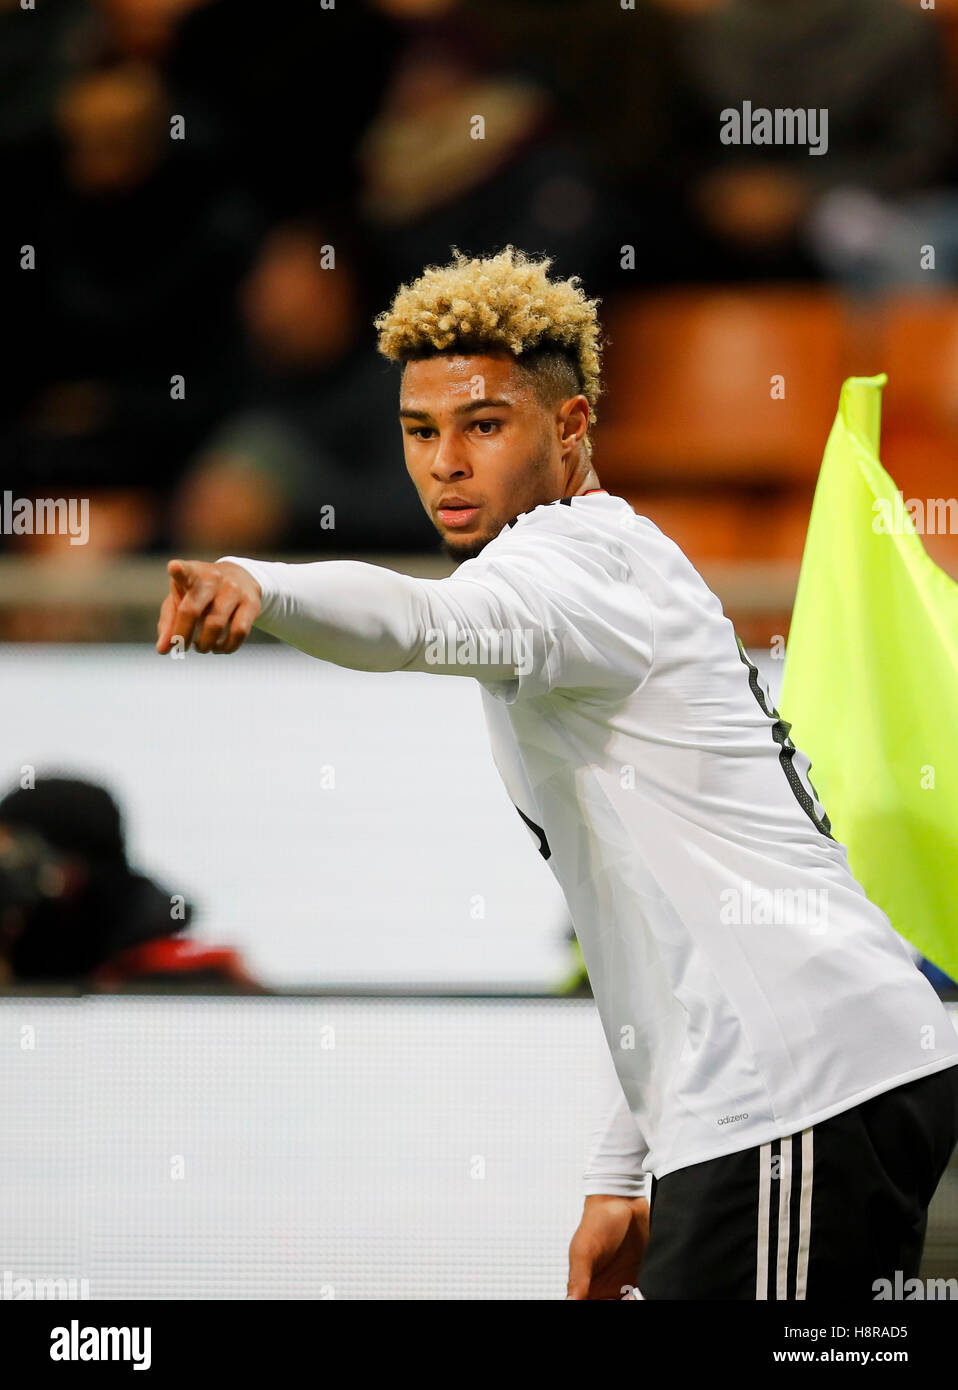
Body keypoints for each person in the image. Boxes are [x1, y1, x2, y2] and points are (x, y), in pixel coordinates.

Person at [155, 246, 958, 1299]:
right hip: (807, 1084)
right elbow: (657, 930)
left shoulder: (574, 566)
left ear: (571, 429)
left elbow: (424, 621)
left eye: (483, 425)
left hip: (798, 1087)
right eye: (419, 431)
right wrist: (622, 1168)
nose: (445, 461)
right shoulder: (601, 569)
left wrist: (259, 581)